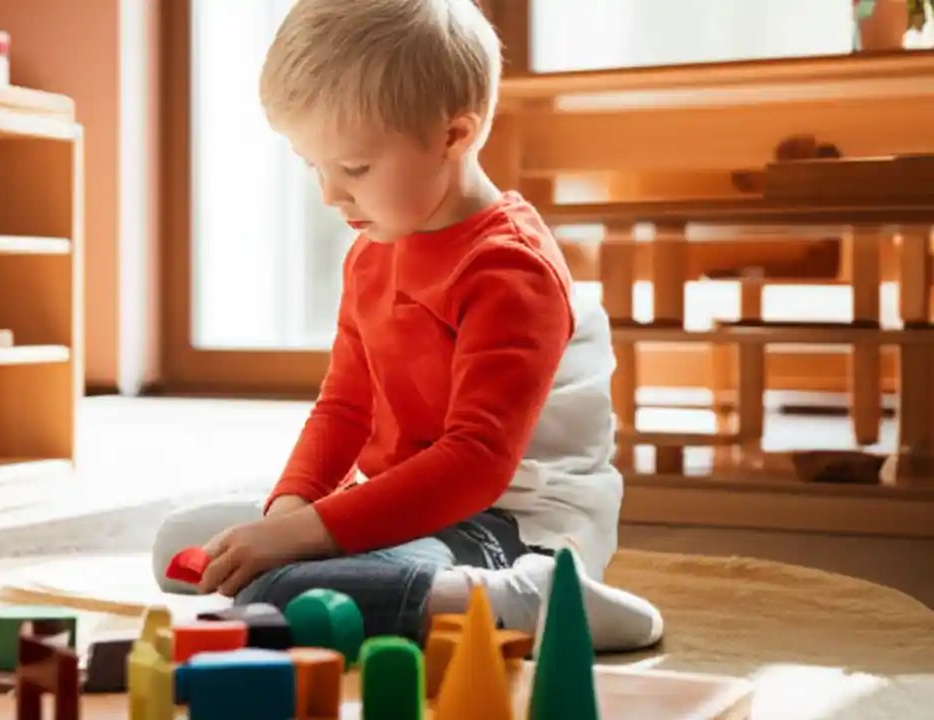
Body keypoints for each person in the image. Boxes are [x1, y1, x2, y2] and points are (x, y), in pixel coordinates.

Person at [152, 0, 662, 651]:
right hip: (413, 508)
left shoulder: (510, 270)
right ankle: (398, 587)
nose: (330, 196)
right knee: (182, 547)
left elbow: (474, 465)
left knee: (280, 592)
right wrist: (290, 511)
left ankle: (538, 599)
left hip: (512, 520)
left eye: (355, 170)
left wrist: (298, 541)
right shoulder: (374, 248)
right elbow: (344, 407)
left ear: (453, 135)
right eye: (315, 167)